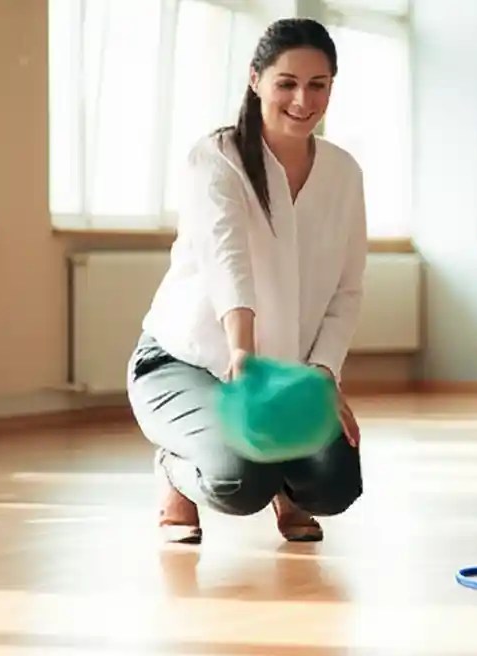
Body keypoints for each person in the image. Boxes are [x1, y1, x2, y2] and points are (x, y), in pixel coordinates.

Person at [127, 18, 367, 545]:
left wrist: (324, 375)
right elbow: (226, 263)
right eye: (287, 83)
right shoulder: (216, 158)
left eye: (318, 84)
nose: (303, 99)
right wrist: (241, 353)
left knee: (334, 485)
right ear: (256, 79)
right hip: (186, 362)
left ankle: (286, 487)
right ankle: (175, 472)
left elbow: (347, 290)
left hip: (282, 379)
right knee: (239, 481)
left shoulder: (344, 173)